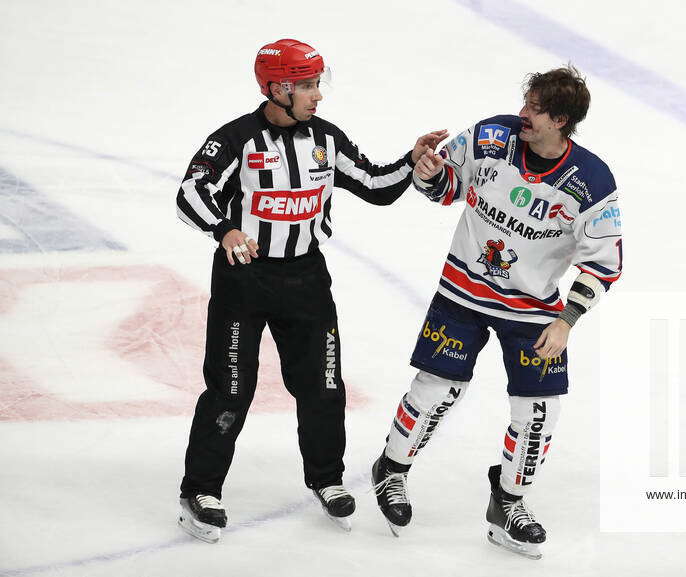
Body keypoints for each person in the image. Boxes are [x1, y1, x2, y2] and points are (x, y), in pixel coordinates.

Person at [174, 38, 447, 543]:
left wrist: (412, 160)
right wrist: (225, 230)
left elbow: (374, 184)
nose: (317, 95)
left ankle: (327, 480)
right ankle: (201, 489)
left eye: (317, 83)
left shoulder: (325, 138)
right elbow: (191, 192)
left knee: (323, 387)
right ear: (277, 88)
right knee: (232, 388)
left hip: (306, 279)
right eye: (306, 85)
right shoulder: (235, 140)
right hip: (244, 279)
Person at [371, 66, 623, 559]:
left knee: (538, 415)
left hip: (533, 310)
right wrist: (429, 174)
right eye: (525, 103)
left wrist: (567, 319)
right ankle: (391, 470)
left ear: (562, 120)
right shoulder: (491, 135)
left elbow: (605, 260)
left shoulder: (592, 181)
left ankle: (507, 503)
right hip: (463, 290)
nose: (523, 114)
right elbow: (447, 188)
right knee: (438, 389)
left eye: (535, 109)